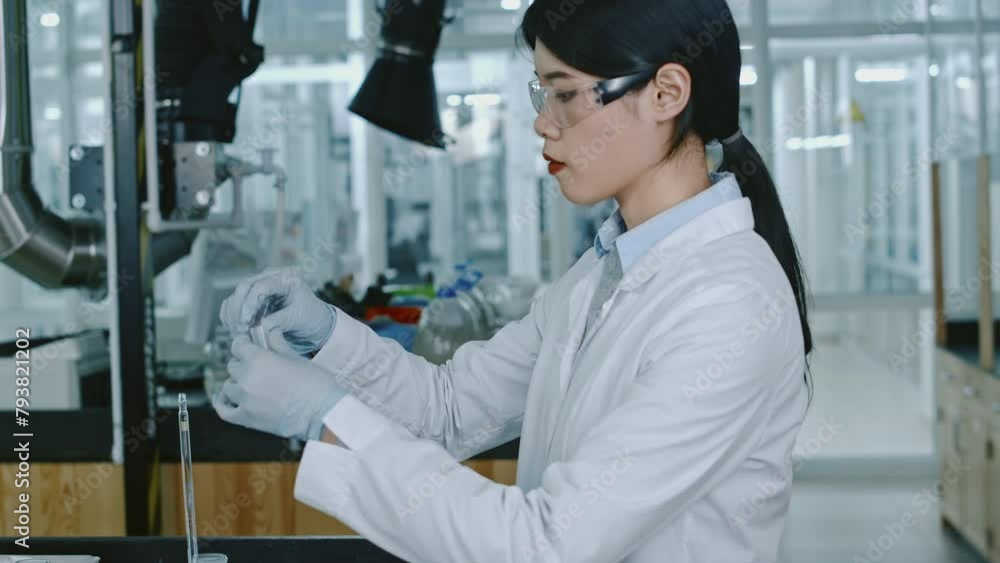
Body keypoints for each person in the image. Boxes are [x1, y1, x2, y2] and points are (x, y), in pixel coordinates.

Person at [213, 0, 814, 561]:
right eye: (541, 93)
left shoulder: (729, 304)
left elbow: (546, 544)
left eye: (567, 95)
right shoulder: (607, 267)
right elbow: (446, 410)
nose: (543, 125)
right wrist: (323, 335)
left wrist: (324, 417)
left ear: (666, 92)